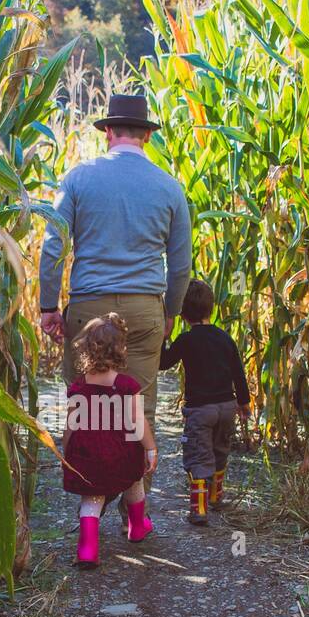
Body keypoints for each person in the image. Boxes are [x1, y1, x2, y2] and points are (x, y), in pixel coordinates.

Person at [39, 93, 192, 519]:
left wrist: (49, 305)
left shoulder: (78, 178)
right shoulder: (169, 187)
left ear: (108, 132)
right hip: (145, 309)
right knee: (137, 406)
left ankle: (92, 502)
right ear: (146, 135)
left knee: (88, 405)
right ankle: (134, 502)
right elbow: (181, 265)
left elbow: (53, 245)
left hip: (88, 310)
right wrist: (169, 313)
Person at [61, 314, 159, 569]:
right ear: (121, 350)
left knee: (91, 499)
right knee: (134, 484)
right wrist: (150, 449)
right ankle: (137, 527)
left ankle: (87, 549)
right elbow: (138, 422)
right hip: (122, 453)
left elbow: (71, 424)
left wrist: (65, 449)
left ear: (85, 350)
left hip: (88, 455)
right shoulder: (127, 385)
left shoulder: (78, 387)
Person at [159, 280, 251, 525]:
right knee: (220, 450)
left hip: (201, 410)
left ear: (182, 312)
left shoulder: (186, 340)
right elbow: (238, 373)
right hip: (226, 407)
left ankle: (198, 509)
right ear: (210, 309)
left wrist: (163, 338)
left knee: (199, 455)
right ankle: (216, 496)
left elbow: (163, 363)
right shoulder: (224, 338)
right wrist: (244, 403)